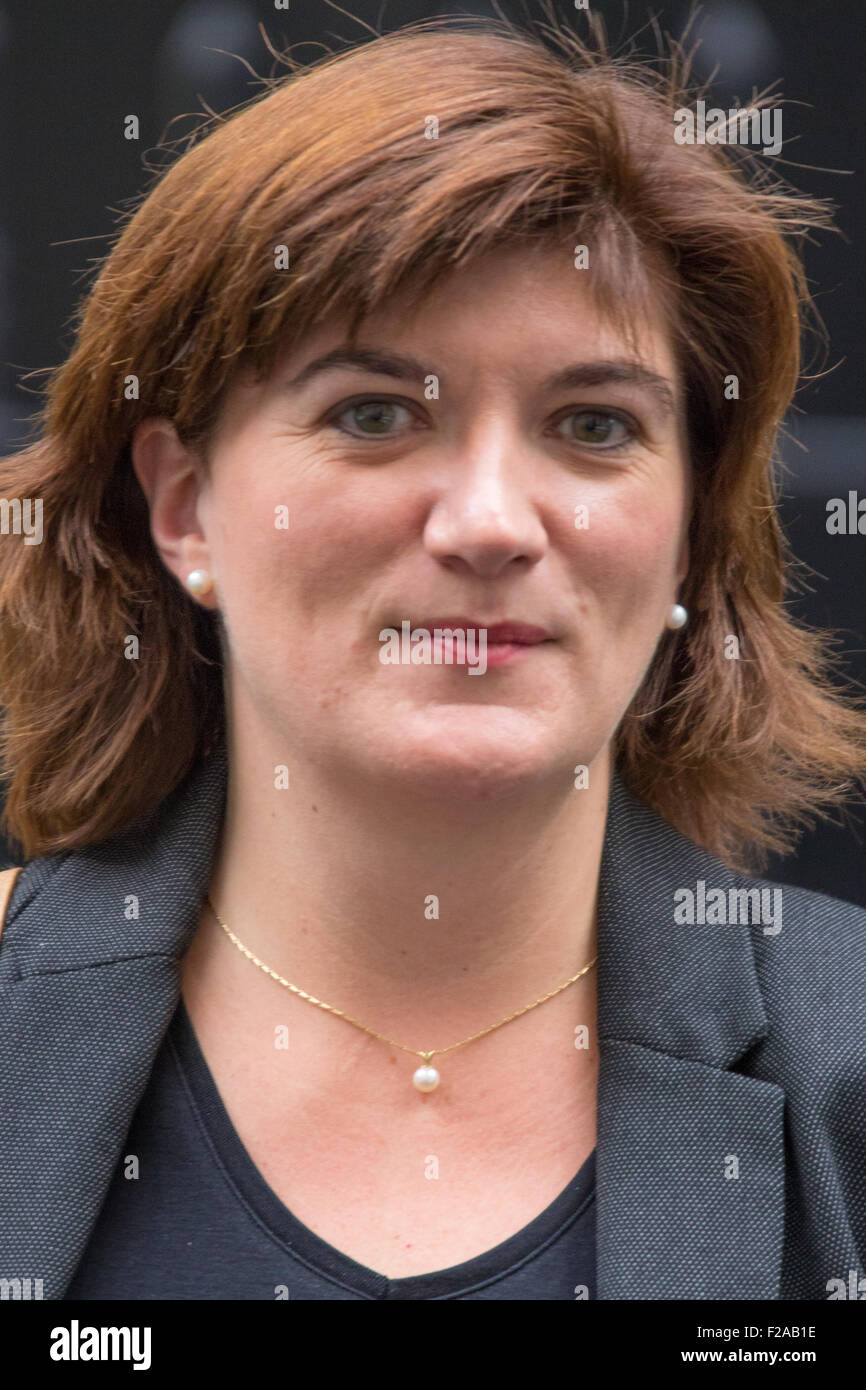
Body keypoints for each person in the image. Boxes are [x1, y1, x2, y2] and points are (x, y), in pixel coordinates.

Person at [0, 13, 864, 1302]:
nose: (491, 523)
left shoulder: (845, 1048)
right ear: (184, 510)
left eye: (592, 423)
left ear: (691, 530)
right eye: (375, 414)